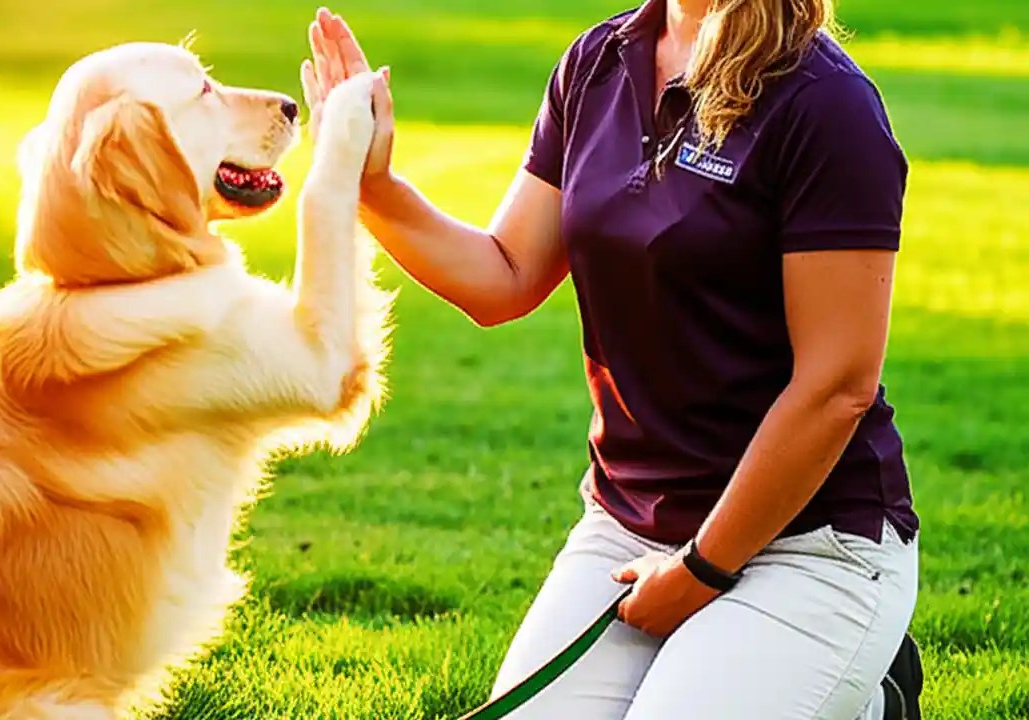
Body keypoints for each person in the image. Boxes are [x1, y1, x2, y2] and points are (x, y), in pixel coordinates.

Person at [302, 1, 924, 718]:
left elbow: (837, 385)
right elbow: (504, 274)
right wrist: (370, 183)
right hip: (629, 525)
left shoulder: (828, 104)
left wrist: (700, 569)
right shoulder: (601, 61)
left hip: (810, 542)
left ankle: (869, 703)